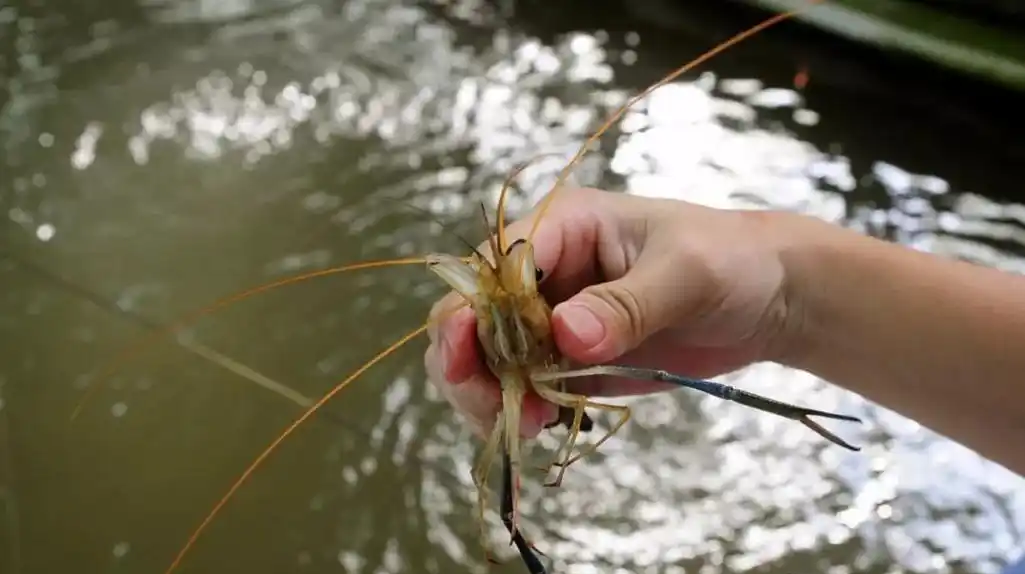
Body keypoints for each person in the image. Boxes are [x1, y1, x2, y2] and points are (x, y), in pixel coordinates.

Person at [424, 187, 1025, 475]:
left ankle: (804, 413)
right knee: (492, 468)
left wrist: (787, 302)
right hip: (548, 390)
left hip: (566, 386)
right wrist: (783, 301)